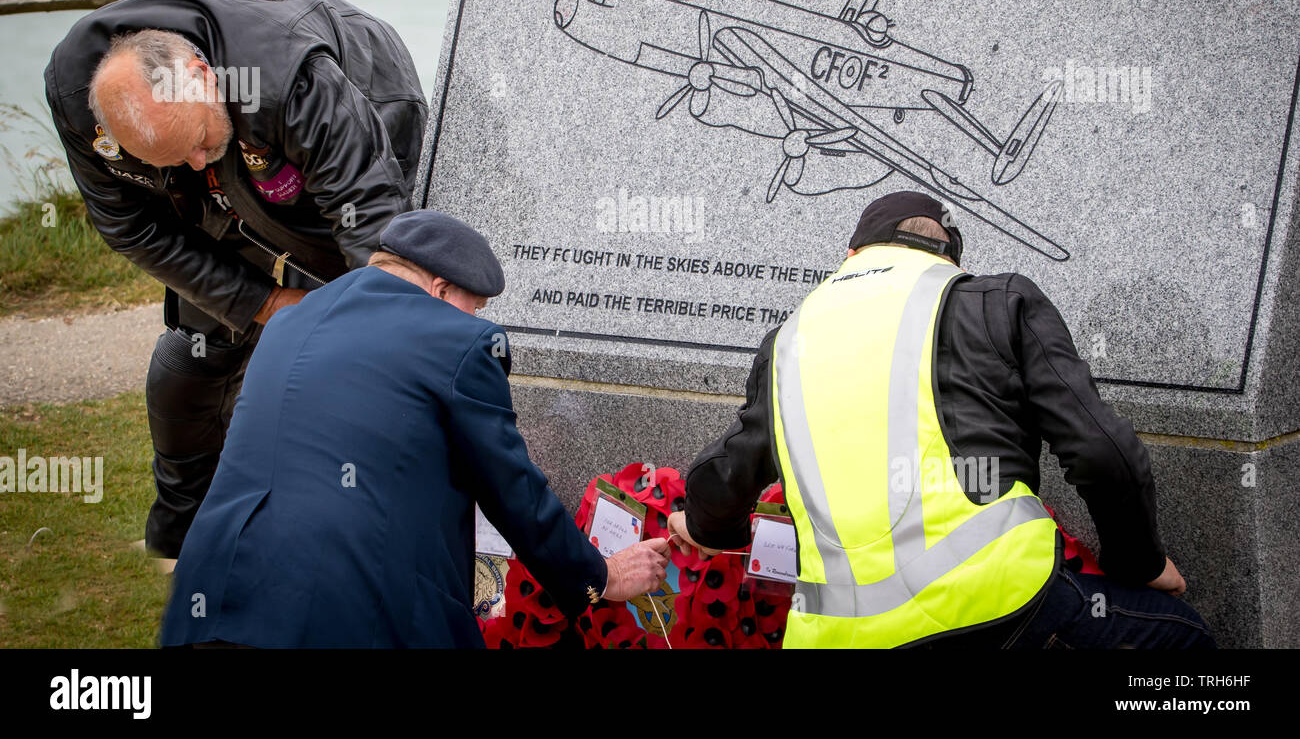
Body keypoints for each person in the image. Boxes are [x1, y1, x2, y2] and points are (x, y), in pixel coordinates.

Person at [668, 191, 1214, 649]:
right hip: (998, 608)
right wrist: (1139, 561)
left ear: (852, 253)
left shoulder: (787, 343)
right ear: (949, 260)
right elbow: (1100, 451)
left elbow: (728, 470)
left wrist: (702, 525)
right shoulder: (996, 301)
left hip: (836, 634)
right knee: (1187, 640)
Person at [43, 0, 427, 559]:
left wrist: (359, 324)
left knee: (350, 324)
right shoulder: (77, 88)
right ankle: (185, 531)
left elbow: (372, 224)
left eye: (196, 144)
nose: (198, 165)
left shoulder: (297, 84)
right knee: (201, 339)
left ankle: (356, 525)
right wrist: (265, 304)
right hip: (234, 120)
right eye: (172, 158)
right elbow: (130, 225)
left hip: (361, 94)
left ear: (201, 76)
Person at [160, 210, 670, 648]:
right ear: (441, 290)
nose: (476, 319)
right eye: (475, 306)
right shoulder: (458, 340)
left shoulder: (289, 323)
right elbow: (511, 487)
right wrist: (598, 576)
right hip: (347, 615)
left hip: (213, 601)